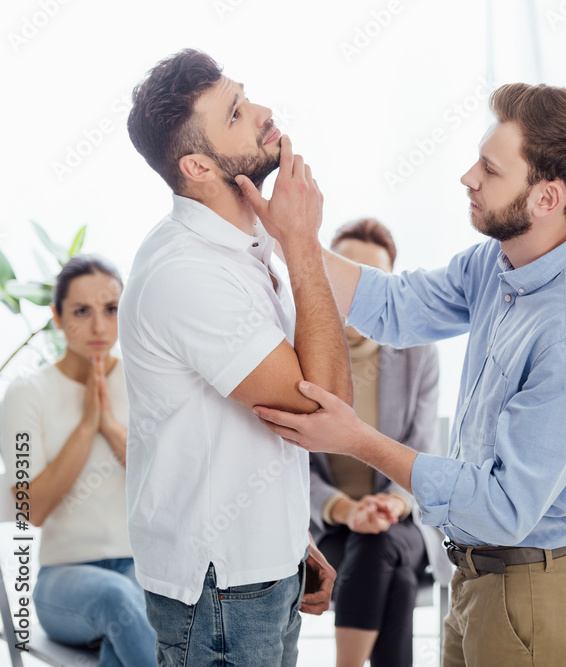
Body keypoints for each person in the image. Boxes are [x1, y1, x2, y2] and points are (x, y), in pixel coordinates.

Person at [249, 82, 566, 667]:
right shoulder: (504, 258)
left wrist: (356, 438)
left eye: (490, 168)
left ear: (546, 198)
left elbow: (502, 506)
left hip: (535, 591)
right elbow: (396, 306)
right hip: (478, 575)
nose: (468, 176)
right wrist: (290, 239)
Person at [119, 49, 344, 665]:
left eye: (246, 97)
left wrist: (286, 539)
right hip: (220, 596)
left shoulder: (236, 250)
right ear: (197, 164)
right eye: (238, 113)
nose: (265, 114)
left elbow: (233, 438)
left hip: (257, 572)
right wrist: (301, 246)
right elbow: (322, 410)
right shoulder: (188, 273)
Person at [0, 255, 157, 666]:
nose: (100, 328)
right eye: (82, 312)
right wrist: (87, 426)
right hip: (64, 579)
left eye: (111, 310)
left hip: (143, 567)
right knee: (117, 600)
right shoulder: (26, 393)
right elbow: (30, 511)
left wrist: (110, 426)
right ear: (56, 315)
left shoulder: (146, 384)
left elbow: (167, 484)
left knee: (124, 632)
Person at [310, 218, 447, 667]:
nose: (356, 292)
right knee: (398, 582)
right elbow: (286, 464)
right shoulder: (299, 351)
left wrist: (388, 506)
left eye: (372, 281)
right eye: (346, 275)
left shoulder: (417, 352)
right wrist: (348, 510)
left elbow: (422, 448)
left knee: (379, 544)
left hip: (400, 520)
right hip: (326, 527)